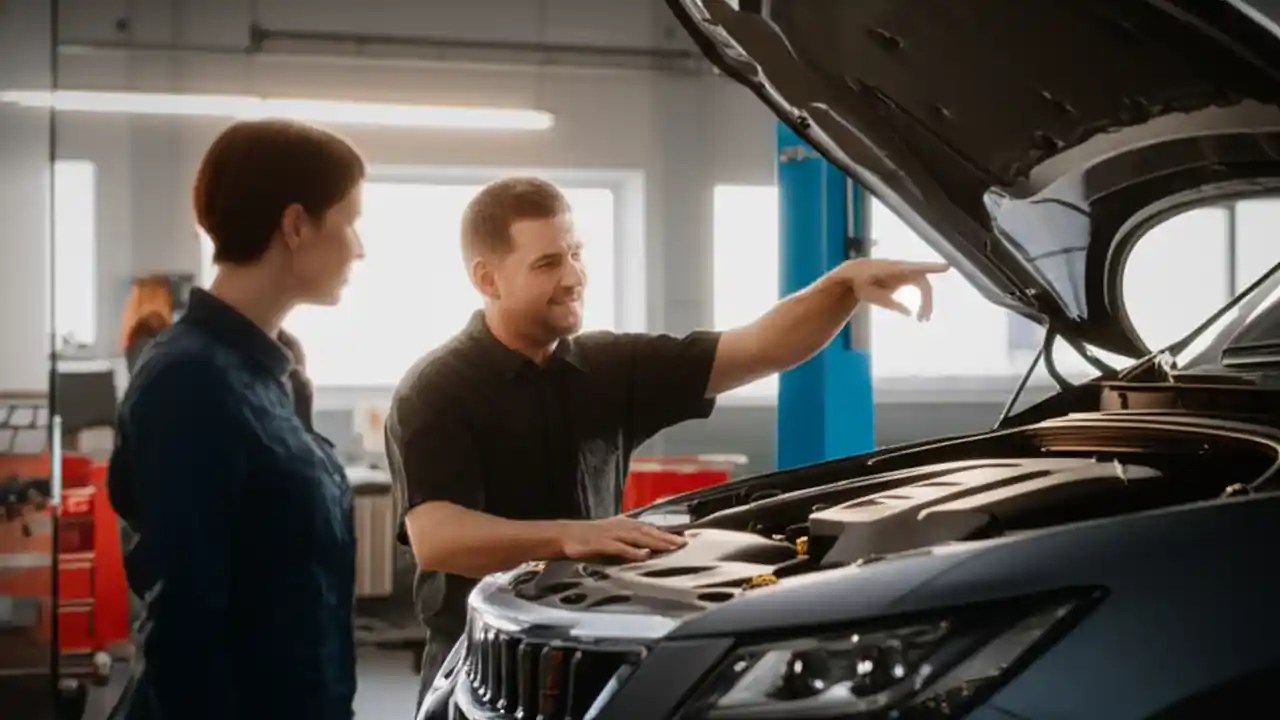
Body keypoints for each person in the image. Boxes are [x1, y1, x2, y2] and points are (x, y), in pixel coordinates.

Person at [385, 177, 949, 704]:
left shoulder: (608, 366)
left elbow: (759, 347)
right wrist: (570, 536)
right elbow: (439, 538)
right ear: (488, 279)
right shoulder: (437, 389)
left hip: (588, 648)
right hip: (481, 663)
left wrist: (843, 285)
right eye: (548, 263)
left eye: (576, 253)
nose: (574, 277)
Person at [106, 119, 366, 720]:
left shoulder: (277, 368)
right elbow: (185, 626)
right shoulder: (189, 381)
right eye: (350, 221)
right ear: (295, 225)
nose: (359, 247)